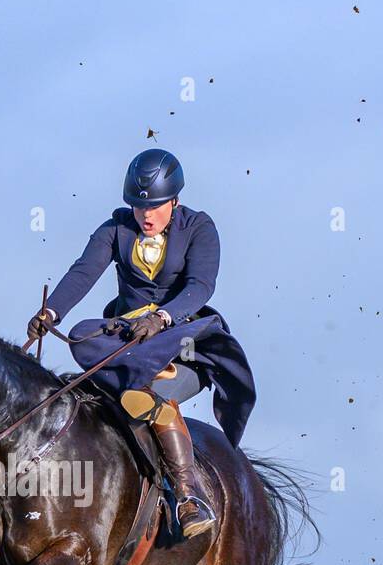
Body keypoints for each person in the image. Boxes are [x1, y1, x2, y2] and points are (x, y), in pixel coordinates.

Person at [28, 149, 255, 538]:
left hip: (184, 337)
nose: (145, 215)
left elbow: (200, 286)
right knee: (83, 335)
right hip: (129, 336)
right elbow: (84, 272)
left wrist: (162, 318)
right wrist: (51, 314)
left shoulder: (200, 228)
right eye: (137, 207)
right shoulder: (116, 228)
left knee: (152, 371)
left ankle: (188, 496)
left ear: (175, 201)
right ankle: (132, 391)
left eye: (154, 207)